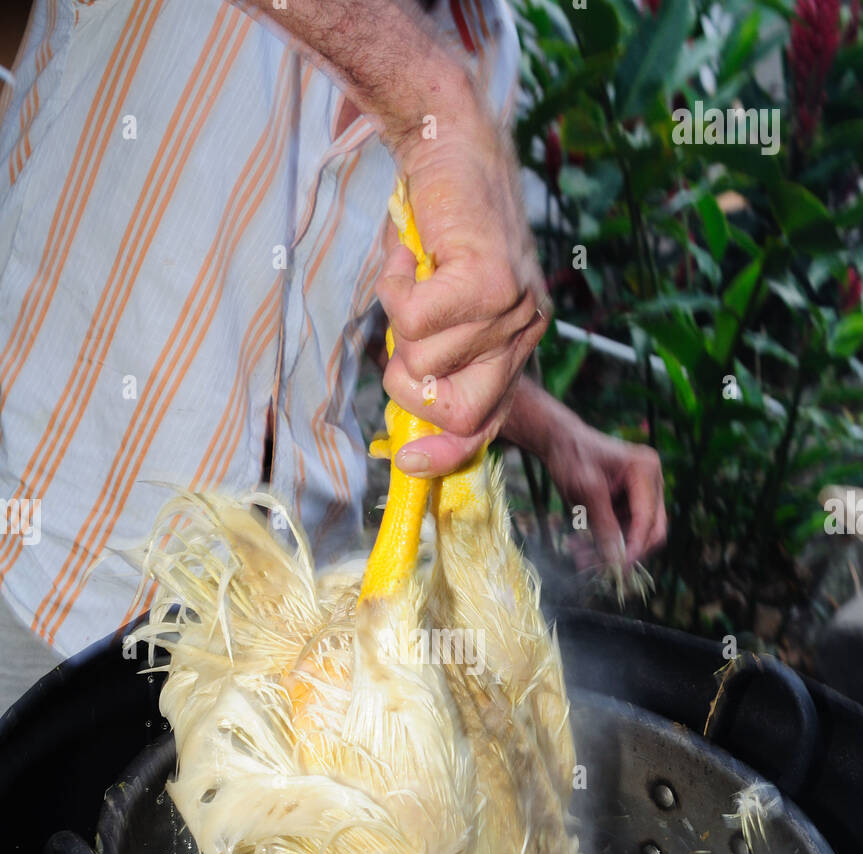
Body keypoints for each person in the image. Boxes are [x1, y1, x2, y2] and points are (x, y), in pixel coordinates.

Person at [0, 0, 664, 712]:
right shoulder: (446, 84)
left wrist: (553, 430)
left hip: (295, 622)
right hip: (55, 567)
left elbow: (392, 308)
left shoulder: (487, 46)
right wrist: (425, 91)